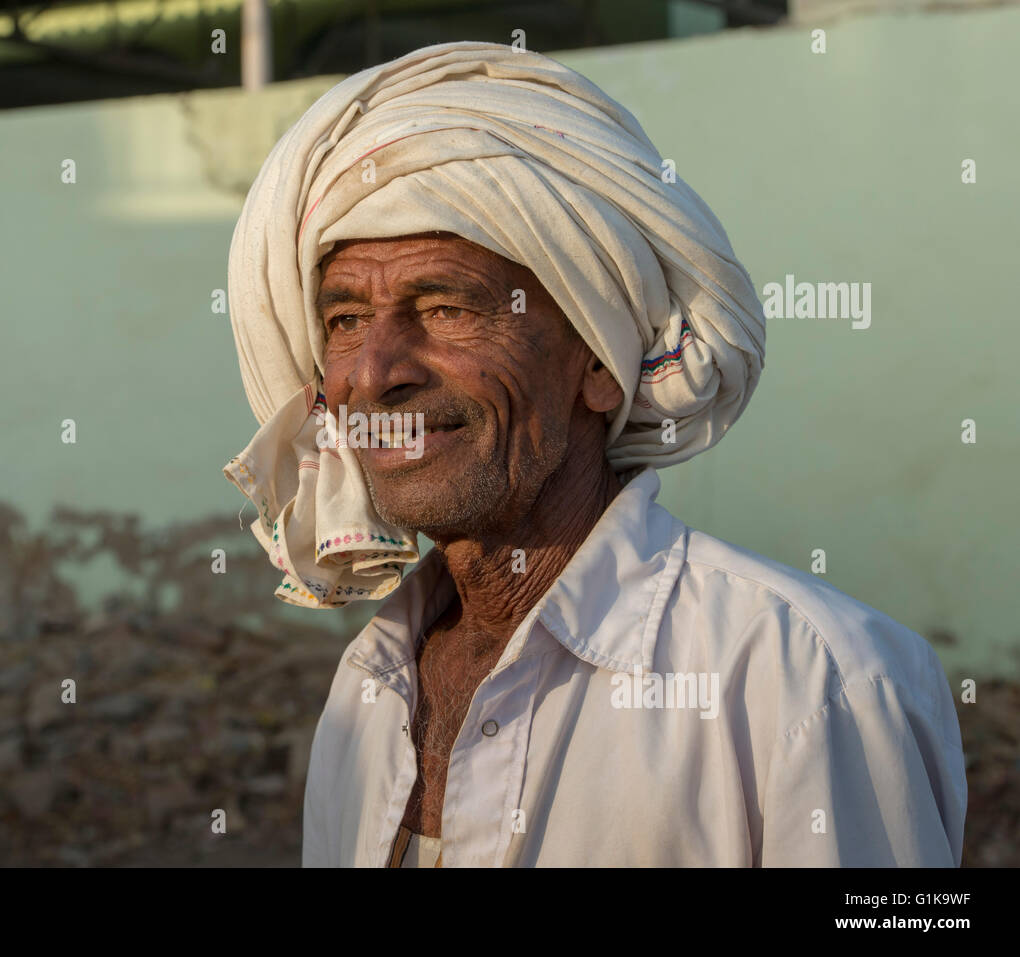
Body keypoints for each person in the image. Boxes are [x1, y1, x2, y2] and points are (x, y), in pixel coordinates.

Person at [222, 41, 966, 867]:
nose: (374, 375)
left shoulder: (811, 683)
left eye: (444, 308)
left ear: (601, 367)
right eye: (346, 321)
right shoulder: (369, 690)